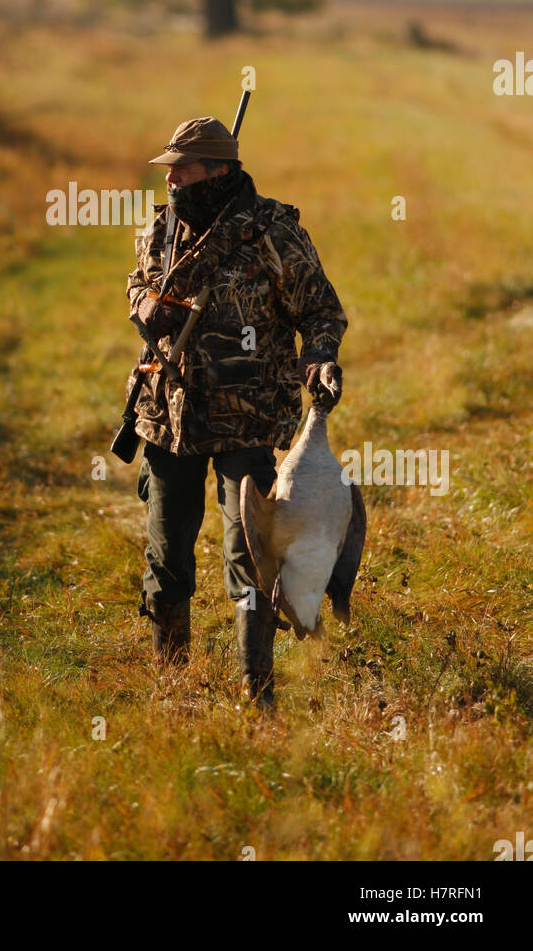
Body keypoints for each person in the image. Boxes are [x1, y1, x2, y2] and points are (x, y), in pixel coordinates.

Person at [126, 115, 348, 703]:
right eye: (169, 169)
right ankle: (169, 685)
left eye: (183, 168)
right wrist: (147, 305)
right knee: (166, 554)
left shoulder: (272, 231)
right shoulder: (164, 226)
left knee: (248, 554)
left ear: (219, 171)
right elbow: (137, 282)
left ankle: (257, 688)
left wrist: (319, 358)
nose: (171, 178)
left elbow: (321, 312)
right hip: (167, 417)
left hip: (246, 419)